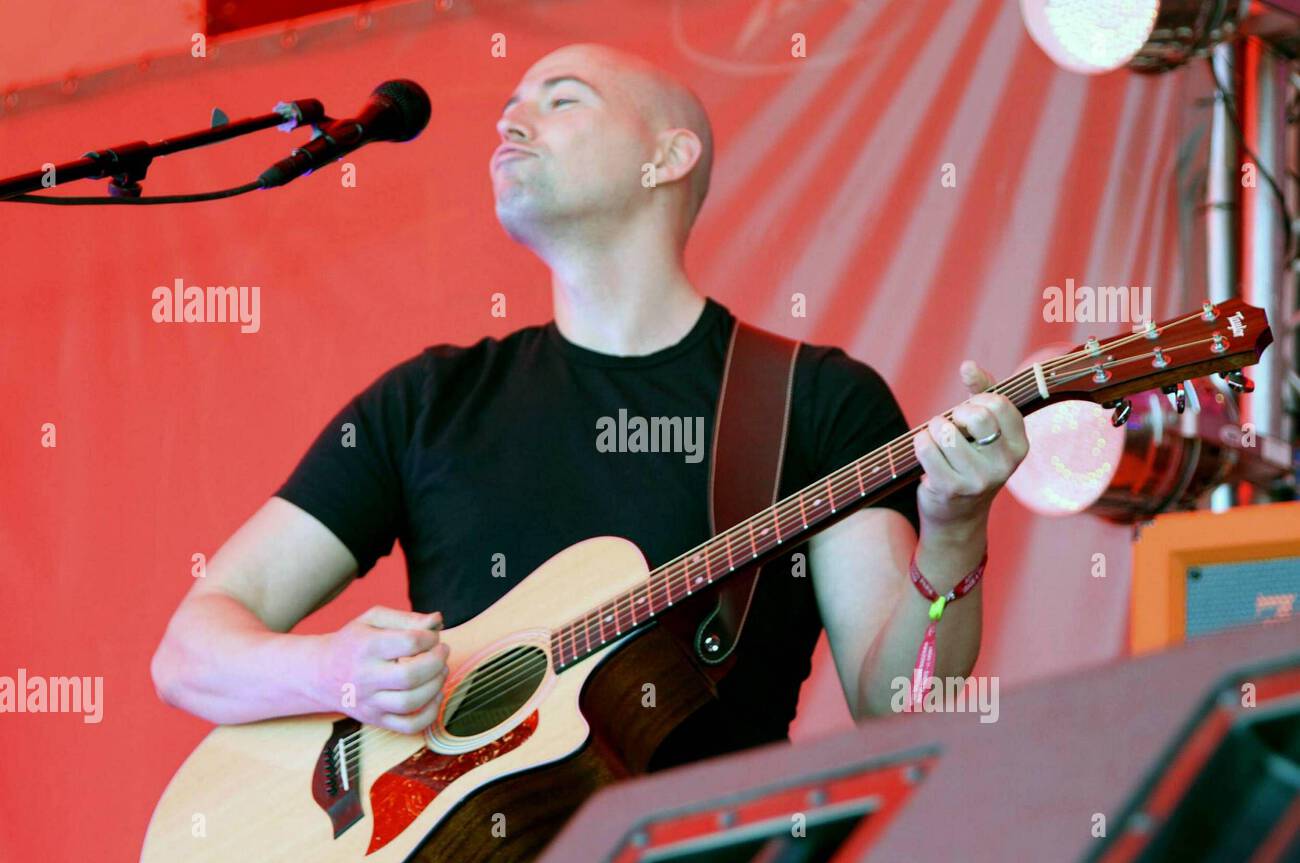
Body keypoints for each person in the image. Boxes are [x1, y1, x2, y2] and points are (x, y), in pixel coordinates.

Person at [150, 42, 1028, 770]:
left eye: (561, 100)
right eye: (509, 103)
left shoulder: (815, 399)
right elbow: (190, 651)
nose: (509, 122)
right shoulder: (427, 400)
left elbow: (908, 707)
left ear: (667, 156)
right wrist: (332, 674)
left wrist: (953, 533)